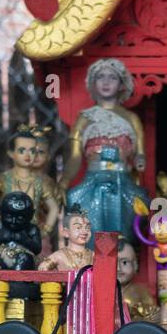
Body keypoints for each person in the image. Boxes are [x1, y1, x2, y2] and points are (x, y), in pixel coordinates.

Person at [60, 58, 149, 241]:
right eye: (100, 77)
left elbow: (140, 153)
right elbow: (75, 157)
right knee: (75, 201)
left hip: (122, 179)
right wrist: (64, 181)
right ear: (93, 83)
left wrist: (140, 160)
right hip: (93, 179)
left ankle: (123, 260)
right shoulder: (84, 118)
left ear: (122, 84)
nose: (106, 82)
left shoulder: (131, 118)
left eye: (112, 78)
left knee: (136, 209)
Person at [0, 126, 60, 236]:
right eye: (22, 150)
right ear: (11, 153)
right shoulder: (5, 179)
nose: (27, 155)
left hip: (29, 236)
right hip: (6, 234)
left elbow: (54, 208)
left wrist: (45, 231)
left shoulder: (40, 182)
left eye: (32, 151)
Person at [39, 206, 95, 273]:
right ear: (66, 233)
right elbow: (42, 268)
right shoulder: (59, 255)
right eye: (78, 227)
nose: (84, 231)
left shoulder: (94, 256)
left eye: (87, 228)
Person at [117, 237, 157, 322]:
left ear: (135, 265)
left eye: (124, 262)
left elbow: (152, 314)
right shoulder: (103, 292)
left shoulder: (141, 292)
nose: (118, 268)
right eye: (113, 263)